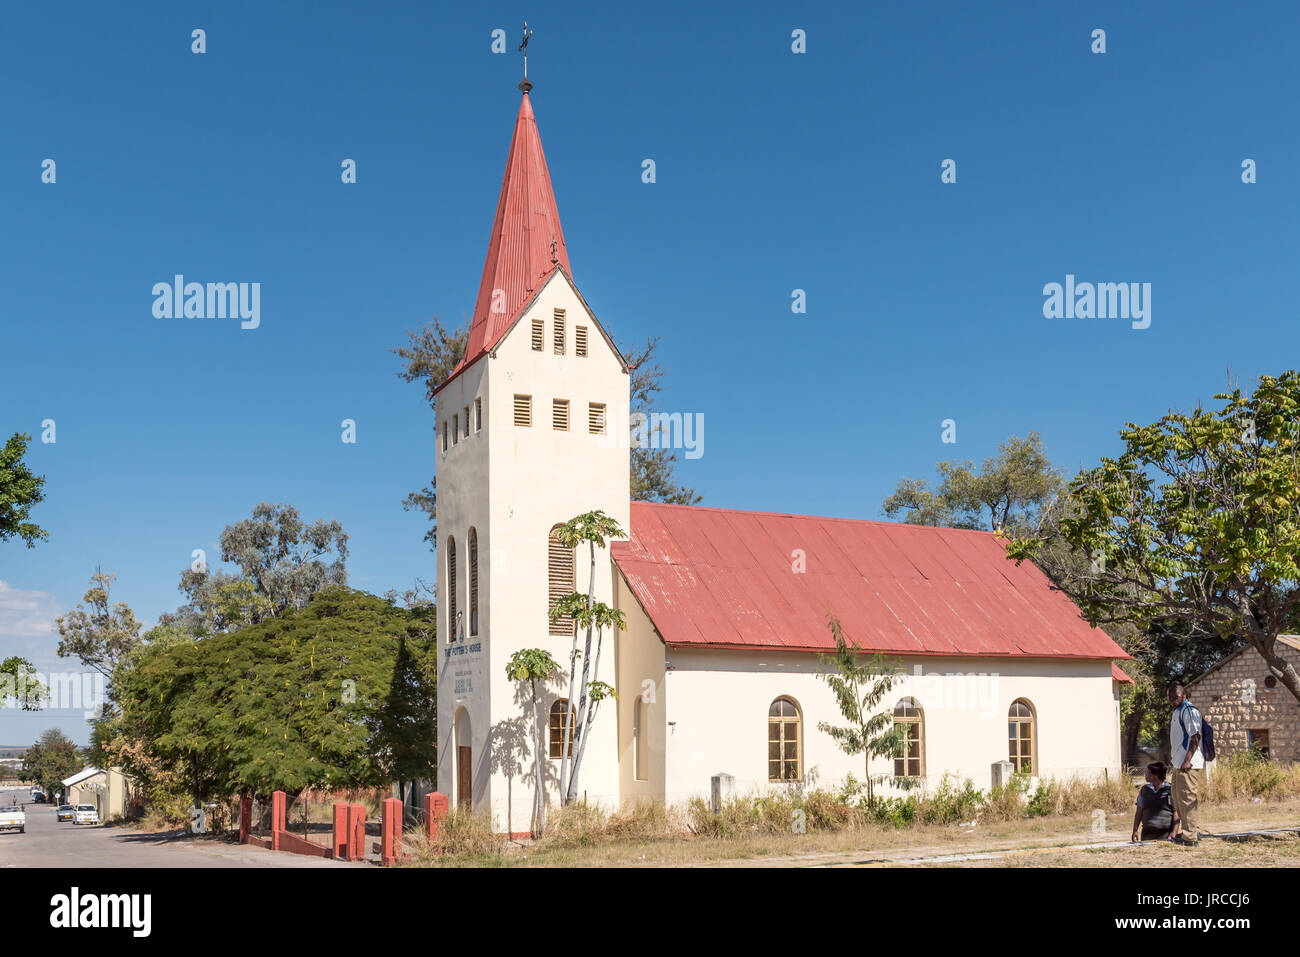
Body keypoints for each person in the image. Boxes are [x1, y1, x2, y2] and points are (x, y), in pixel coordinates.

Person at [1167, 682, 1203, 846]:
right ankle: (1189, 831)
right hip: (1178, 764)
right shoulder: (1177, 711)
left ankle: (1190, 837)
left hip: (1187, 764)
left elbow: (1195, 737)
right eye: (1170, 697)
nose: (1173, 699)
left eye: (1176, 696)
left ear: (1184, 696)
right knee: (1178, 798)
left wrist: (1187, 760)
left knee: (1187, 799)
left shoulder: (1189, 710)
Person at [1130, 761, 1177, 842]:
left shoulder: (1170, 790)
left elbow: (1176, 812)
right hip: (1147, 834)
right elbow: (1139, 811)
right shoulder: (1144, 790)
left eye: (1148, 773)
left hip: (1165, 835)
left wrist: (1174, 832)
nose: (1145, 775)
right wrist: (1135, 830)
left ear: (1156, 775)